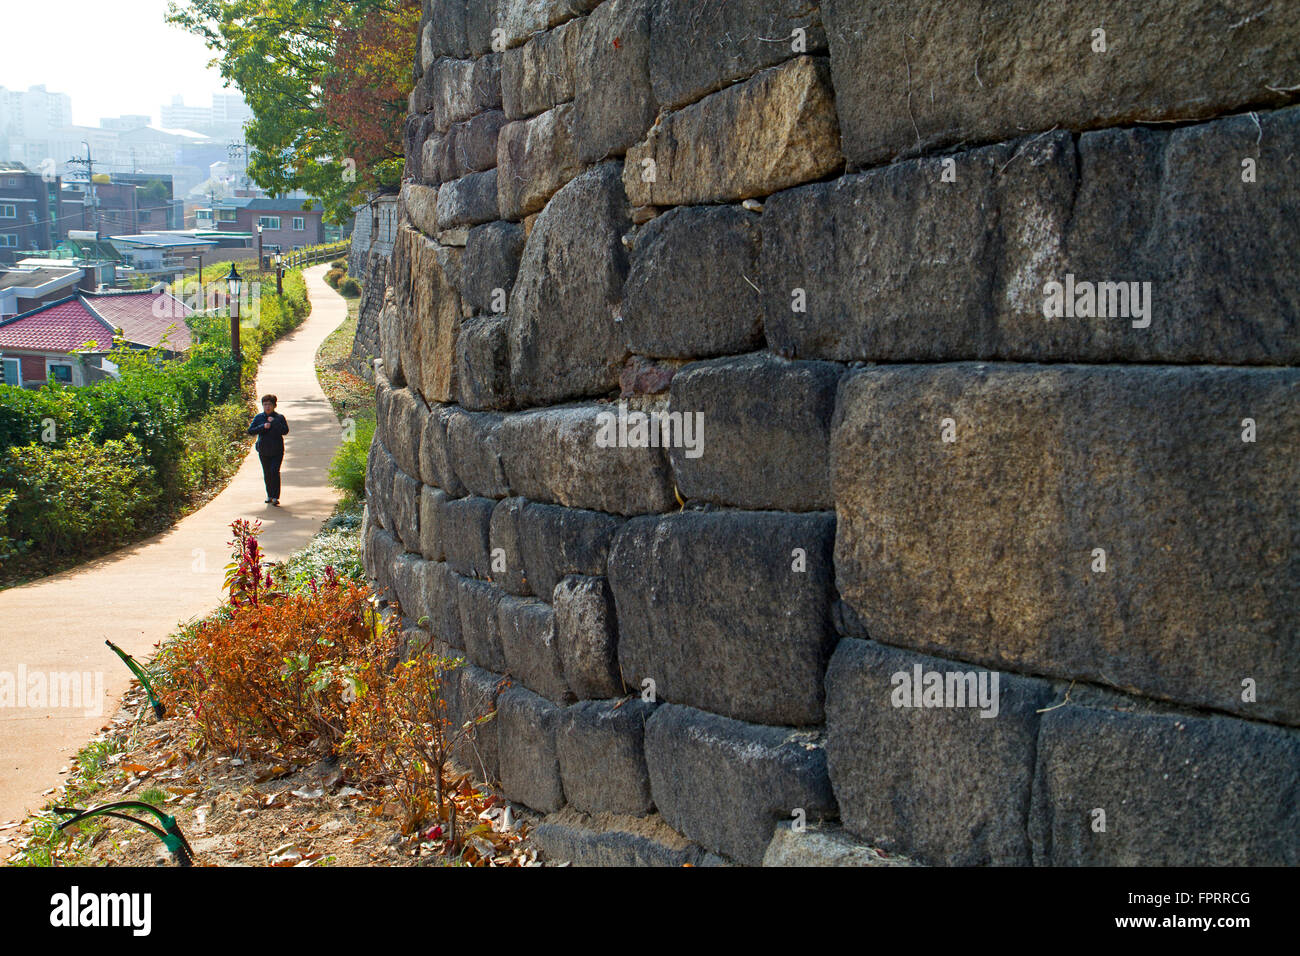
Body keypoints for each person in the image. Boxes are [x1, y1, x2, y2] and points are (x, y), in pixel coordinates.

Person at [247, 394, 289, 506]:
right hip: (263, 450)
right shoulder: (259, 417)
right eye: (265, 404)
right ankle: (269, 495)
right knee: (267, 473)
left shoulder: (279, 417)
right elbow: (250, 431)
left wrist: (274, 422)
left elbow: (285, 431)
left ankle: (275, 497)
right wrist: (262, 427)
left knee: (274, 471)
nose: (267, 407)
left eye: (269, 404)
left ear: (274, 405)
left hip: (277, 450)